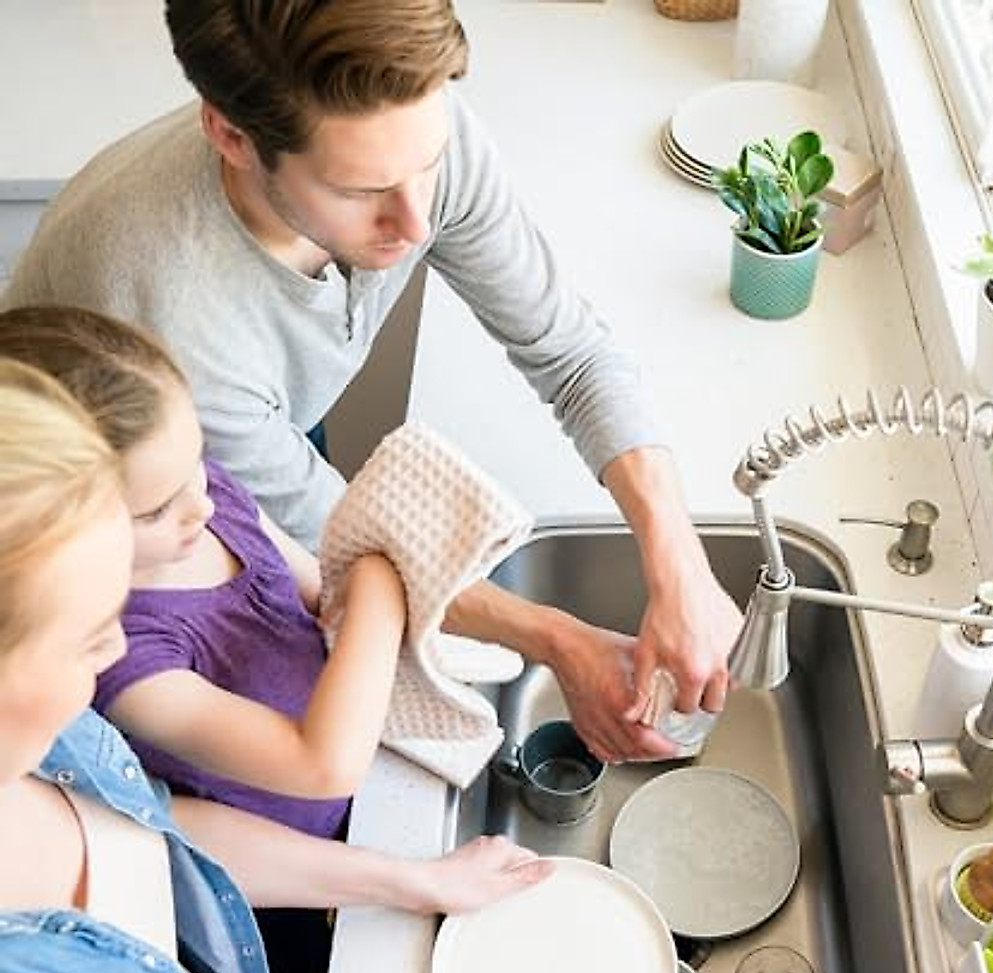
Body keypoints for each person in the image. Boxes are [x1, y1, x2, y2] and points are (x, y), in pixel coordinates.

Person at [2, 0, 743, 755]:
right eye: (361, 191)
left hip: (253, 425)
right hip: (107, 546)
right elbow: (341, 543)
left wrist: (679, 562)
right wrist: (556, 640)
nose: (418, 222)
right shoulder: (176, 322)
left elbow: (571, 353)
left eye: (428, 164)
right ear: (231, 134)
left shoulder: (414, 142)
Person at [0, 302, 676, 973]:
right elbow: (321, 763)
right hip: (284, 880)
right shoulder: (125, 653)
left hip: (369, 803)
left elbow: (324, 590)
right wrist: (385, 576)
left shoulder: (203, 503)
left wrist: (361, 588)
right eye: (155, 509)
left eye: (197, 464)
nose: (203, 506)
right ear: (67, 527)